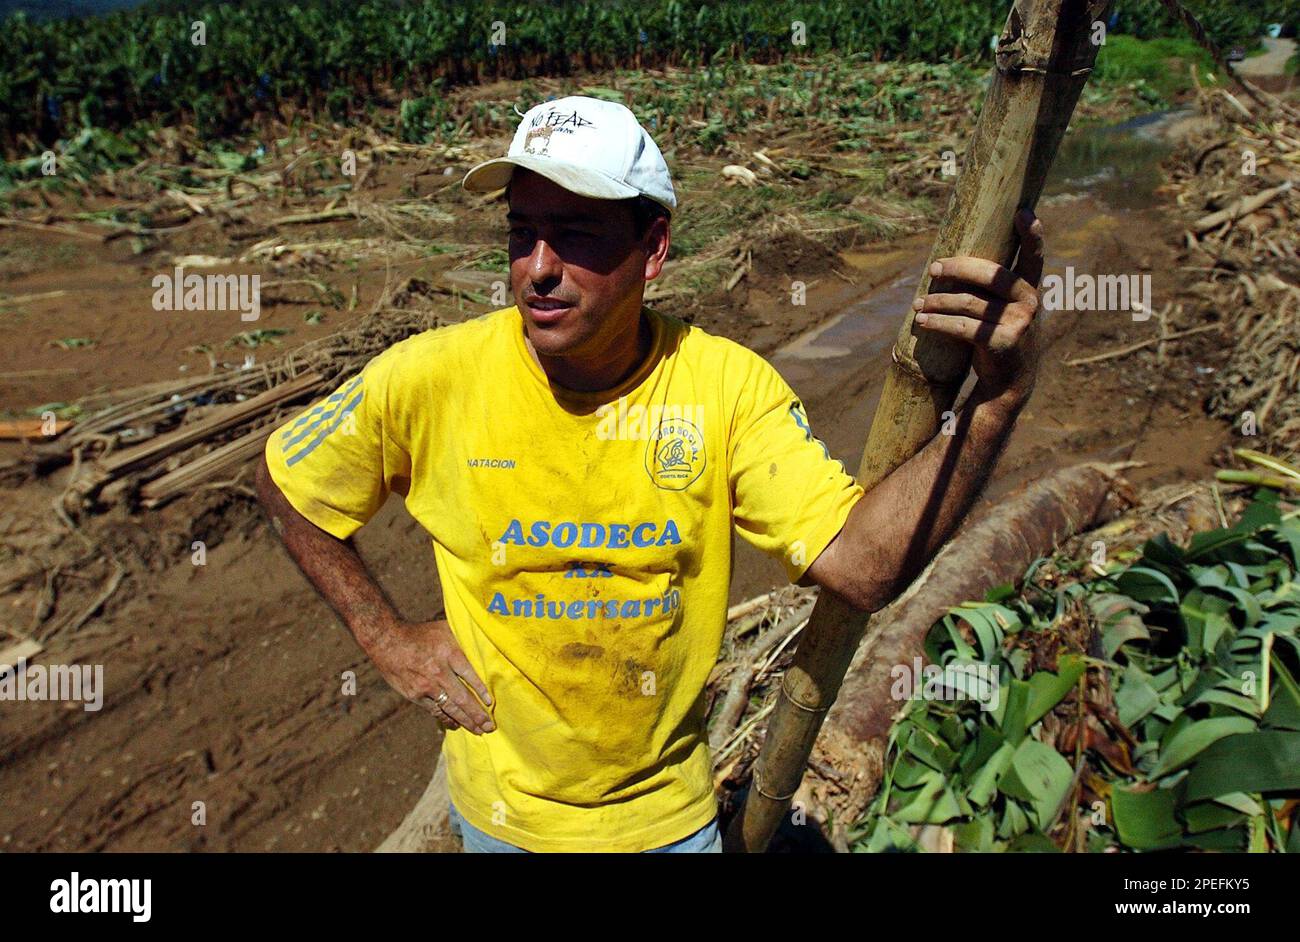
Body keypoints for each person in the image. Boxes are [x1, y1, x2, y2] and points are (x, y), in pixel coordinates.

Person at [254, 95, 1044, 853]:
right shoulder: (429, 380)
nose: (538, 268)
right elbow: (288, 483)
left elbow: (862, 565)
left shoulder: (724, 390)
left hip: (668, 824)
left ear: (654, 249)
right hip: (501, 822)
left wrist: (996, 402)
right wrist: (387, 640)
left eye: (578, 235)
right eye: (521, 233)